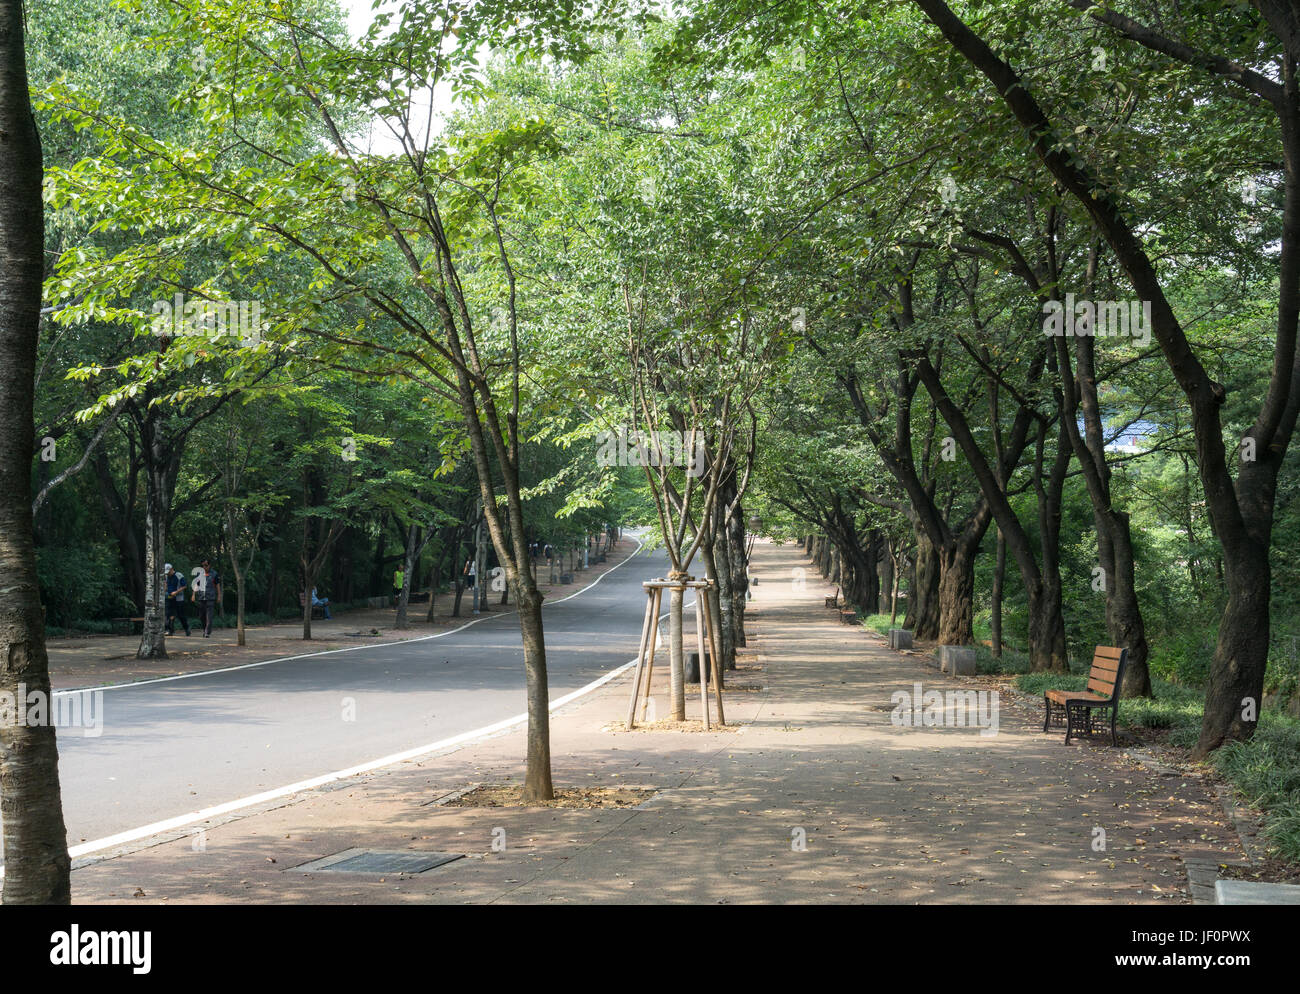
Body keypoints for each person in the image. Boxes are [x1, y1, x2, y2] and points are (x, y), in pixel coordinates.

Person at [193, 558, 222, 638]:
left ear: (209, 565)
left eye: (206, 565)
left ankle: (207, 632)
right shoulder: (199, 573)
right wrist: (193, 594)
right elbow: (196, 584)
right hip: (201, 597)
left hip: (210, 598)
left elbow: (217, 586)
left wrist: (219, 596)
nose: (204, 567)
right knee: (201, 616)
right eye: (203, 566)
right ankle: (205, 629)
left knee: (209, 616)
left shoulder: (214, 574)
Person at [165, 563, 190, 636]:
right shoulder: (166, 576)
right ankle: (170, 630)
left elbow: (184, 586)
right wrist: (165, 590)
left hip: (179, 598)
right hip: (169, 597)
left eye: (168, 572)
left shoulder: (179, 575)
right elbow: (166, 584)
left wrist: (176, 592)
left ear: (171, 569)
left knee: (181, 615)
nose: (167, 574)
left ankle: (186, 628)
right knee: (168, 614)